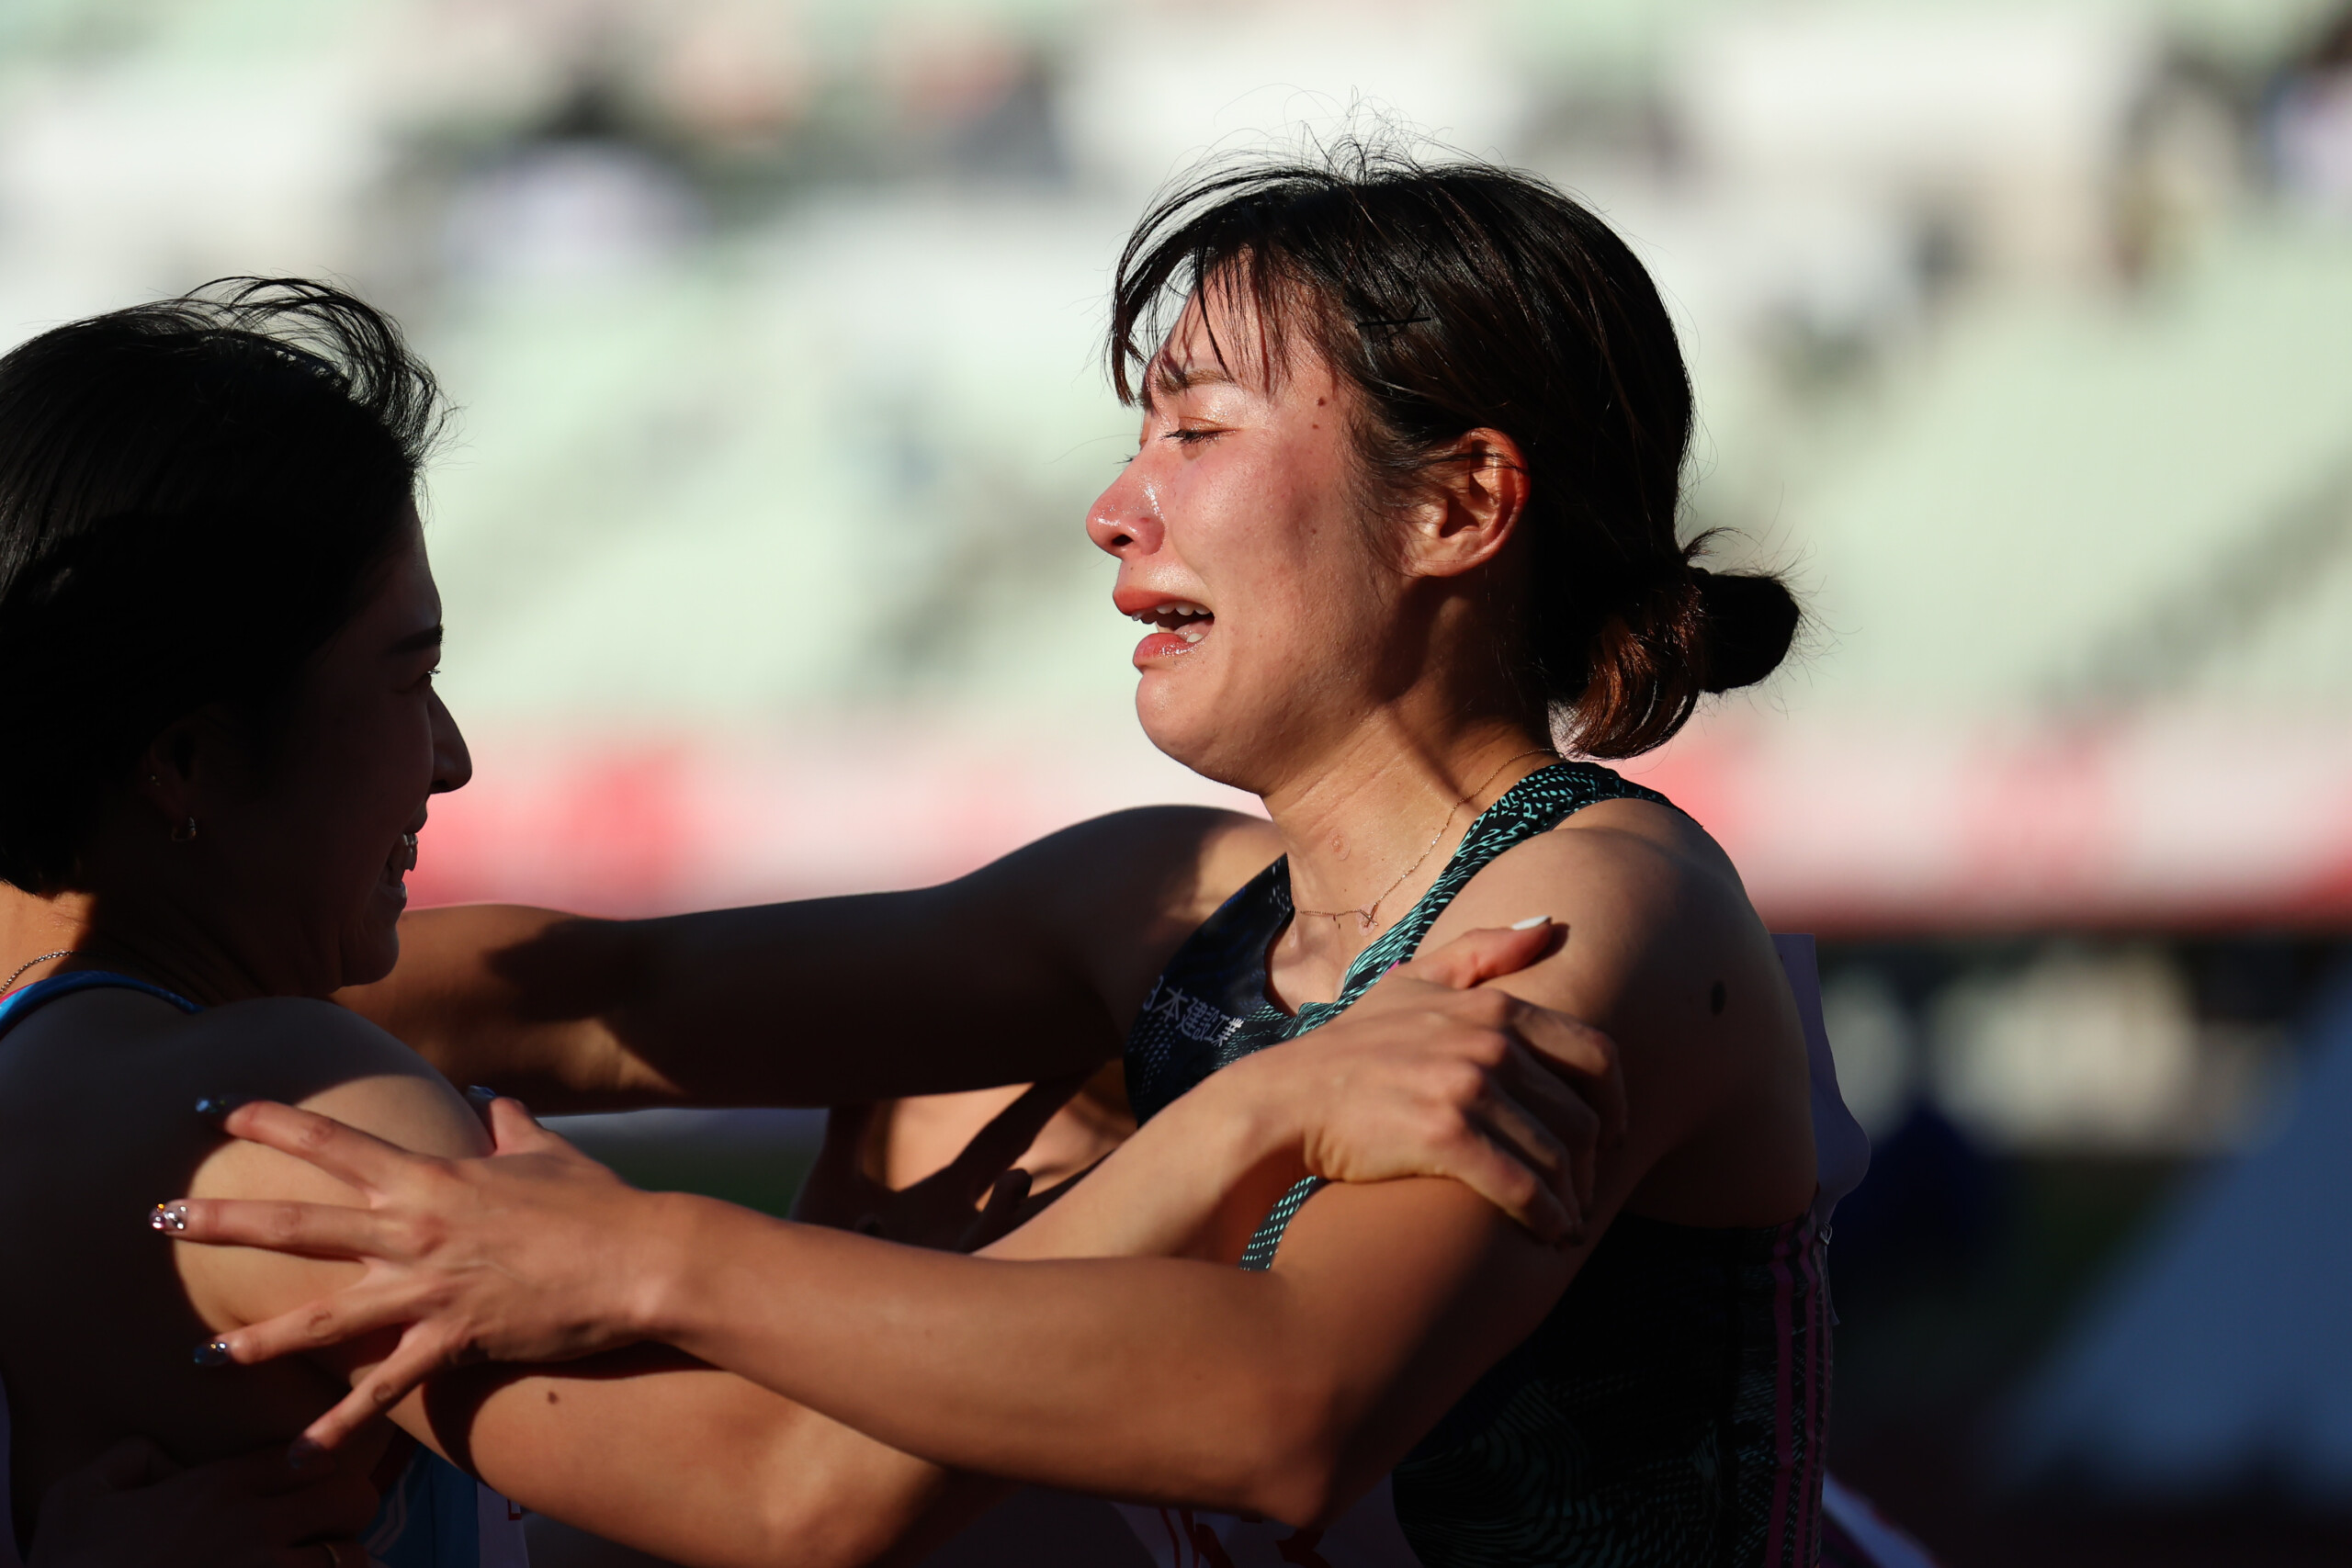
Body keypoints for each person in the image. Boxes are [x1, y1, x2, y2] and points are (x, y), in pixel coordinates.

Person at [175, 148, 1846, 1565]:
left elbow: (1287, 1403)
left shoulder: (1598, 907)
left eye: (1198, 430)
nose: (1118, 508)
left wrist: (635, 1257)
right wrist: (95, 978)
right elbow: (608, 995)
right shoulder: (1160, 905)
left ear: (1459, 506)